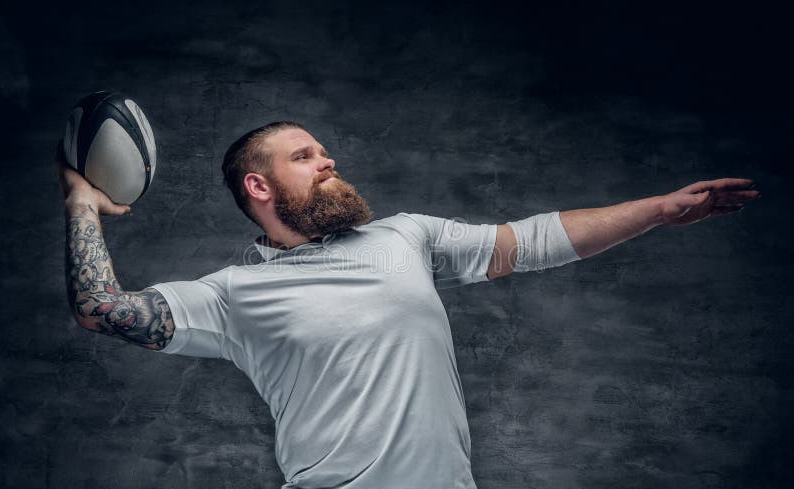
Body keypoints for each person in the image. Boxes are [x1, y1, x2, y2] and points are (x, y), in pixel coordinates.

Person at [57, 121, 760, 488]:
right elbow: (101, 307)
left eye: (325, 150)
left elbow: (533, 240)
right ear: (259, 188)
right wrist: (83, 205)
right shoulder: (231, 294)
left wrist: (658, 209)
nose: (328, 160)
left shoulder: (404, 235)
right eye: (304, 156)